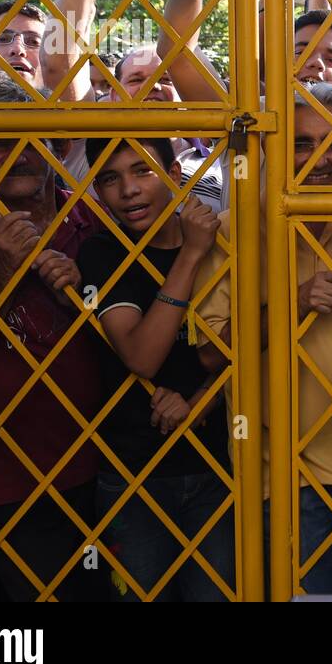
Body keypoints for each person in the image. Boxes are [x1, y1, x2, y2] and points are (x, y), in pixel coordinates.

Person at [196, 82, 332, 594]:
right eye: (301, 142)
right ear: (270, 146)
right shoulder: (234, 232)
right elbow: (212, 353)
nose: (320, 157)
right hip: (287, 483)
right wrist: (295, 302)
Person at [0, 78, 104, 600]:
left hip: (95, 472)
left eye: (29, 139)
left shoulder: (95, 224)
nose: (15, 154)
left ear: (55, 147)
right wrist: (3, 274)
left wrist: (80, 298)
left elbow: (139, 345)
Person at [77, 137, 234, 601]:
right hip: (133, 473)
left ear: (173, 172)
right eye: (110, 178)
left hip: (215, 466)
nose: (128, 190)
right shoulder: (101, 253)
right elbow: (141, 357)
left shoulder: (222, 242)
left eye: (142, 171)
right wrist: (190, 256)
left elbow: (248, 343)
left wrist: (202, 397)